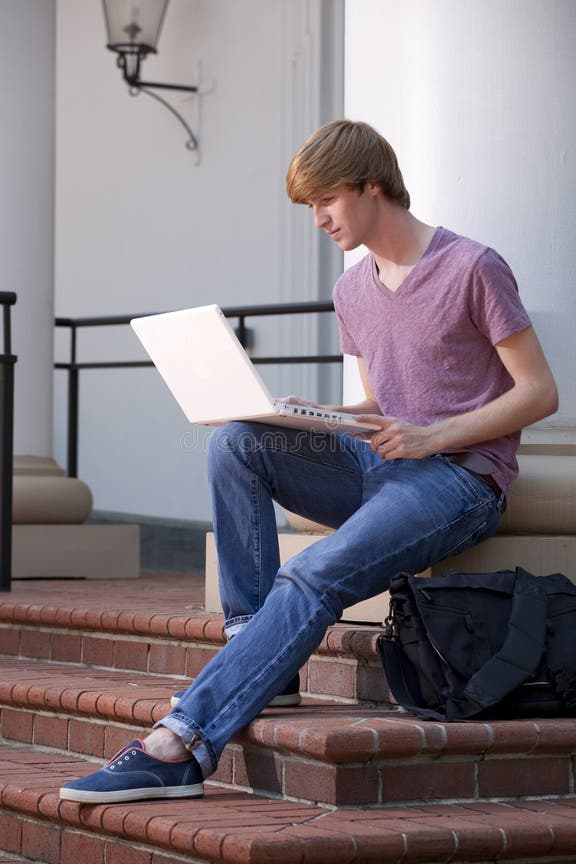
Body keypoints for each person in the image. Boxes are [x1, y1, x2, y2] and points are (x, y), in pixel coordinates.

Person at [60, 119, 558, 804]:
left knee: (312, 573)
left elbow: (540, 392)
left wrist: (435, 437)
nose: (318, 218)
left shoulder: (473, 267)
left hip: (458, 480)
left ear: (372, 185)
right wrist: (313, 417)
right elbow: (381, 405)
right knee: (237, 439)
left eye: (326, 199)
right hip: (379, 467)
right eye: (310, 206)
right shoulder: (352, 289)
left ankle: (181, 744)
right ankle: (261, 656)